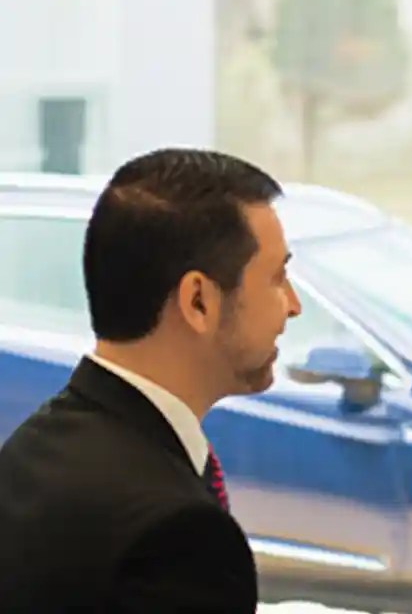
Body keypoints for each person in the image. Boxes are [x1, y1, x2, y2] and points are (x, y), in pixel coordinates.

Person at [0, 148, 301, 613]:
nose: (293, 304)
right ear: (198, 301)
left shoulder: (30, 450)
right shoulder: (178, 535)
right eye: (278, 277)